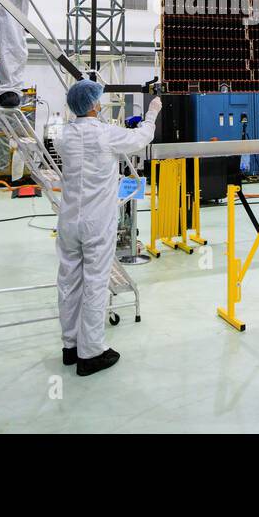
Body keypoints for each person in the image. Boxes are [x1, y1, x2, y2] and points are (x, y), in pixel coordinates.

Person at [55, 80, 161, 376]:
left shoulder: (64, 137)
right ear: (93, 105)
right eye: (98, 100)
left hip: (68, 222)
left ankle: (70, 346)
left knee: (69, 282)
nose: (100, 103)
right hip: (96, 222)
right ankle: (92, 353)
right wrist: (152, 111)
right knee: (95, 283)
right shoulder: (105, 135)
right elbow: (142, 138)